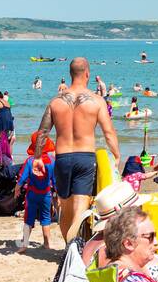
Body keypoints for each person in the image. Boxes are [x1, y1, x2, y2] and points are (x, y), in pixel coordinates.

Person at [33, 58, 121, 243]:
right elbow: (108, 132)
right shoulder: (96, 101)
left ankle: (68, 247)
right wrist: (116, 155)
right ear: (87, 74)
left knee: (65, 207)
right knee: (80, 207)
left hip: (63, 158)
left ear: (70, 74)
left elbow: (42, 132)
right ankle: (75, 247)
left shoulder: (55, 101)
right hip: (85, 157)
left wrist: (38, 157)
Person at [16, 150, 55, 253]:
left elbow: (22, 177)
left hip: (32, 194)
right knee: (46, 218)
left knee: (28, 219)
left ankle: (24, 245)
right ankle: (47, 244)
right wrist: (58, 196)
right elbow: (55, 180)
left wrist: (17, 189)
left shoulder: (30, 160)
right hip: (46, 194)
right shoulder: (51, 161)